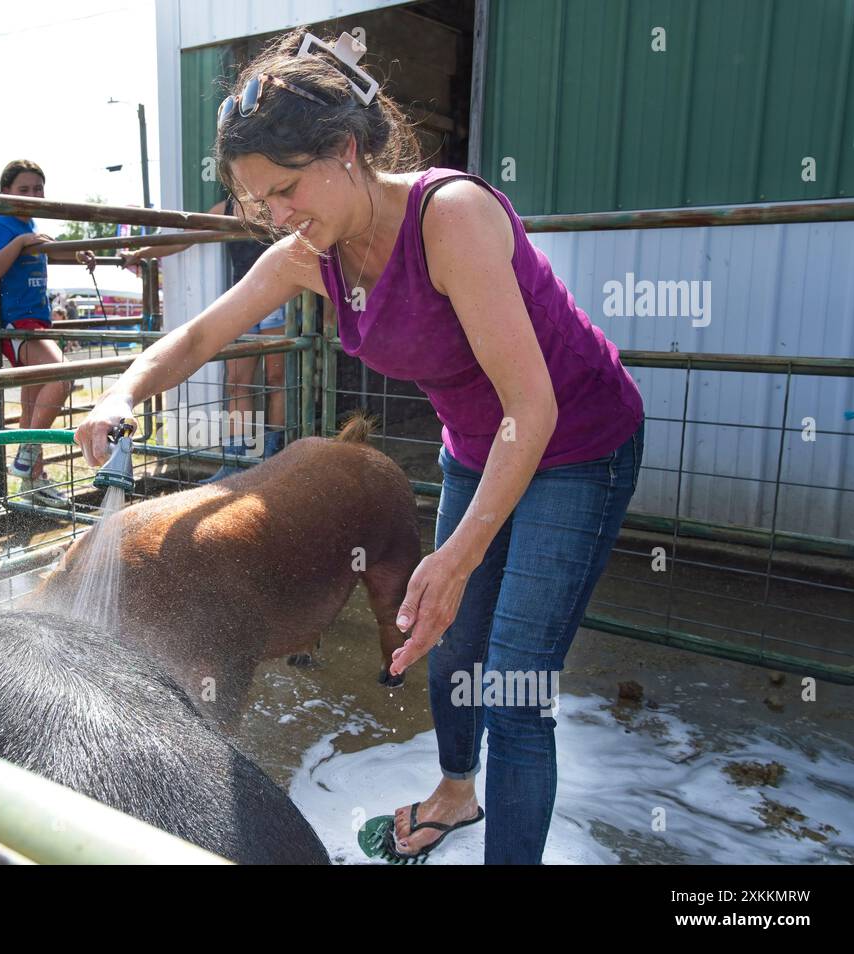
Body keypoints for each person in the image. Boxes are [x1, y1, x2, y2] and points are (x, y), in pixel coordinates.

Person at [76, 28, 645, 865]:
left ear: (346, 150)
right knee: (448, 638)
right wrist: (122, 392)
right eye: (259, 200)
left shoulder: (450, 217)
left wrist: (457, 556)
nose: (276, 214)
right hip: (477, 445)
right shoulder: (311, 255)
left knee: (517, 686)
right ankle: (456, 792)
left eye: (286, 187)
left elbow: (533, 404)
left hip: (576, 441)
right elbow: (200, 335)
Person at [116, 192, 289, 480]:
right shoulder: (225, 208)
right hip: (243, 299)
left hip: (277, 298)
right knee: (236, 382)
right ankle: (236, 464)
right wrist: (139, 253)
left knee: (275, 379)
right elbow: (184, 238)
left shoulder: (274, 201)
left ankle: (272, 461)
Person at [0, 159, 86, 506]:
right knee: (64, 376)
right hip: (16, 327)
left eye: (38, 189)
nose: (33, 195)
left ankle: (34, 481)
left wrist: (76, 254)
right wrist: (21, 240)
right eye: (24, 189)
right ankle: (27, 452)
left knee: (31, 406)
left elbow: (41, 253)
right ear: (6, 192)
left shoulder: (31, 225)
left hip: (38, 323)